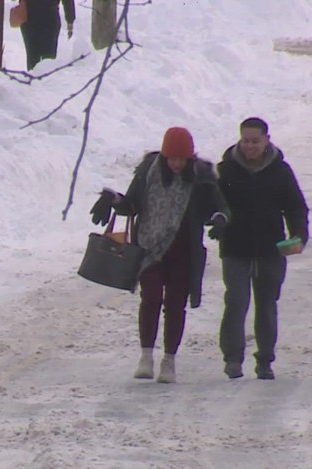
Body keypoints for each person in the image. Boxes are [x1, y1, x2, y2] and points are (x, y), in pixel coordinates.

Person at [92, 127, 230, 383]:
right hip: (148, 249)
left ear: (190, 158)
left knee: (176, 304)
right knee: (151, 297)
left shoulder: (201, 177)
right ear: (164, 156)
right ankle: (146, 357)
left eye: (182, 160)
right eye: (172, 159)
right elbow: (132, 204)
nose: (176, 164)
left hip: (183, 252)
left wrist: (220, 218)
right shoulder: (148, 172)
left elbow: (219, 206)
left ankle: (169, 361)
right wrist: (112, 199)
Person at [211, 116, 310, 380]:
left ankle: (265, 360)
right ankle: (232, 359)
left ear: (267, 140)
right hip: (235, 248)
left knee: (266, 304)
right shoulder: (226, 170)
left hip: (270, 250)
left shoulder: (281, 171)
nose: (250, 146)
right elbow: (213, 203)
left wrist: (299, 234)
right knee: (236, 302)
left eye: (255, 141)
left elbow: (295, 207)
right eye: (245, 140)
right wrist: (217, 220)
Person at [20, 0, 75, 71]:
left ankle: (32, 79)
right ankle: (45, 79)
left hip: (30, 17)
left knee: (32, 58)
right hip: (49, 18)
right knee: (48, 58)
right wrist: (70, 19)